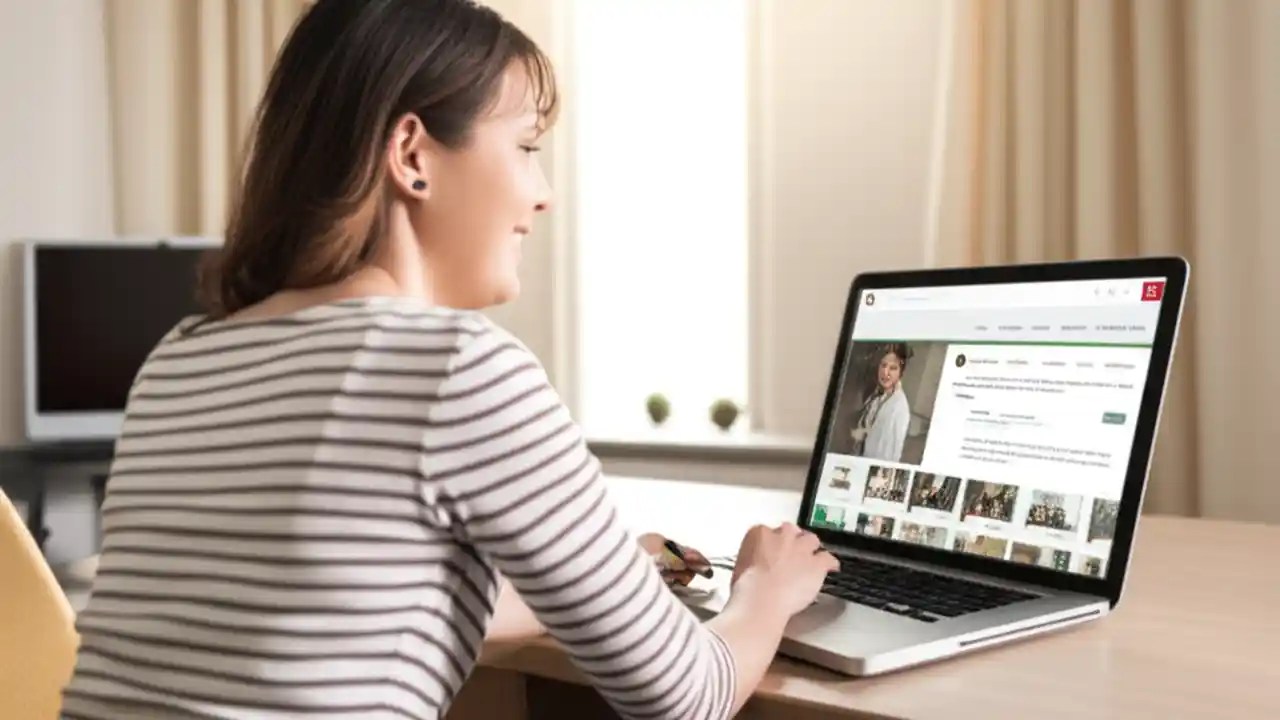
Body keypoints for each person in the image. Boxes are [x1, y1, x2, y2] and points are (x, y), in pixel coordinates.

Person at [58, 2, 839, 719]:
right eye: (527, 147)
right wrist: (766, 590)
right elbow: (688, 696)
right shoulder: (456, 367)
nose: (543, 194)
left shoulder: (181, 357)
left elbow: (338, 613)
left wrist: (615, 578)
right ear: (412, 155)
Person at [849, 343, 912, 462]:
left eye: (893, 368)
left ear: (901, 372)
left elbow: (888, 454)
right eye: (883, 365)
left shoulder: (898, 408)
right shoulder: (877, 395)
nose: (885, 372)